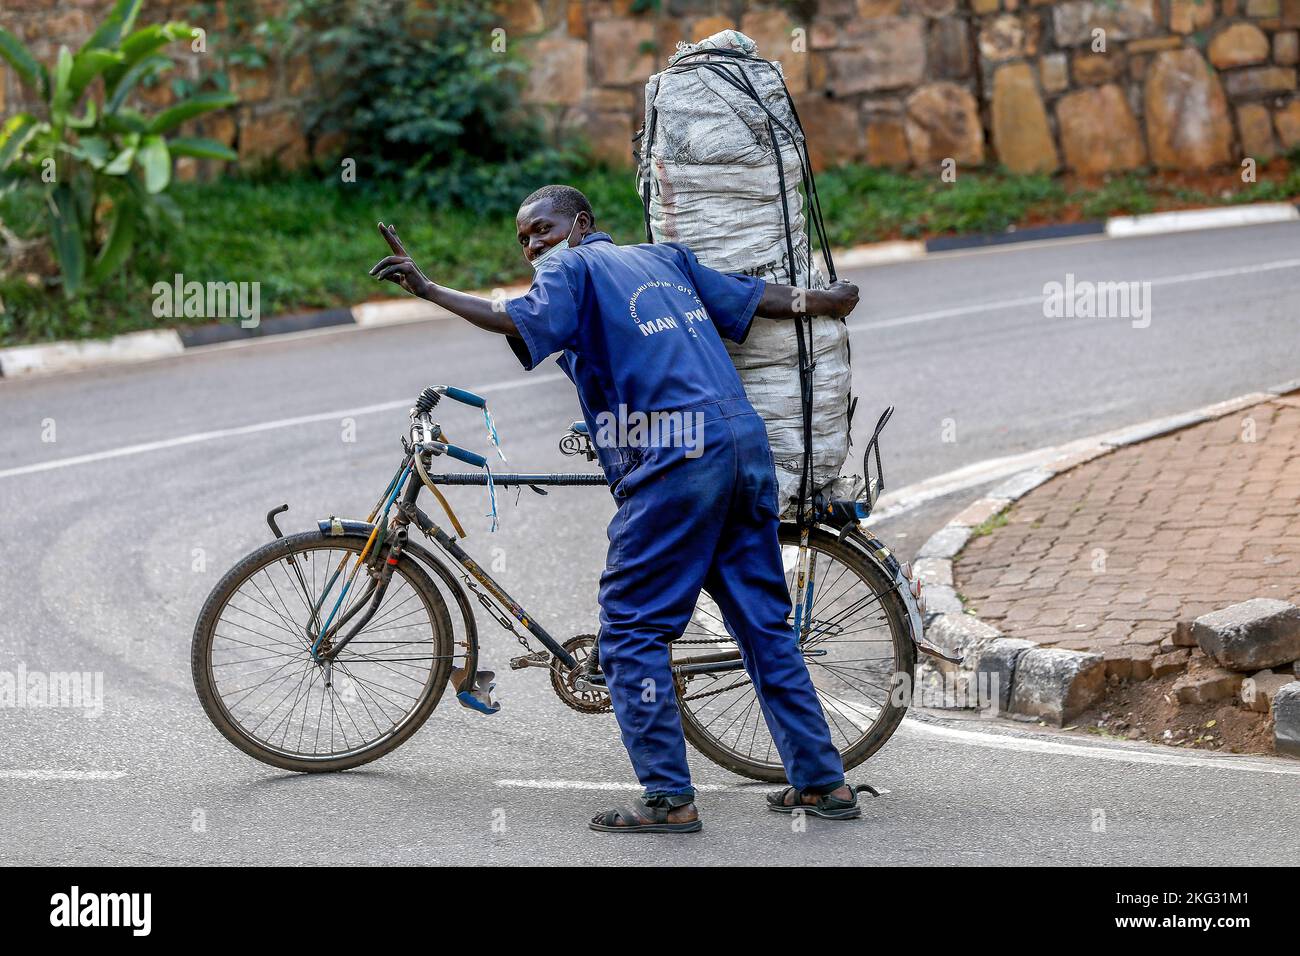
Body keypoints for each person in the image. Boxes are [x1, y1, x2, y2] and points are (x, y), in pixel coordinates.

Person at [369, 184, 867, 832]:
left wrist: (430, 289)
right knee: (763, 626)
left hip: (675, 460)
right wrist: (825, 302)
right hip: (742, 446)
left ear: (580, 224)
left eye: (541, 230)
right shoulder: (665, 261)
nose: (533, 246)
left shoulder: (573, 268)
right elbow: (752, 297)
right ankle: (823, 784)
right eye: (523, 240)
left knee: (631, 631)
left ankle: (668, 798)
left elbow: (514, 320)